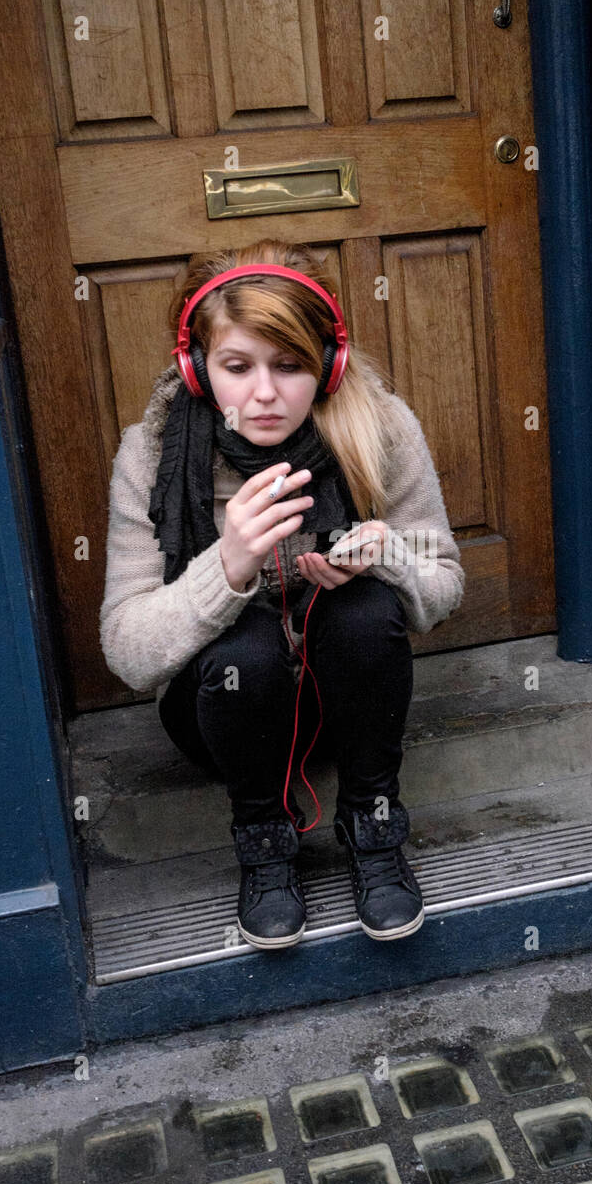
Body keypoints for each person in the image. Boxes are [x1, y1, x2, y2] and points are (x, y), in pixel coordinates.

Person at [99, 239, 465, 951]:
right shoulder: (151, 452)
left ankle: (373, 825)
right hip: (223, 717)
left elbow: (443, 586)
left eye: (290, 366)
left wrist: (387, 554)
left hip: (343, 706)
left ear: (328, 366)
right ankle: (265, 843)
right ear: (197, 369)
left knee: (365, 612)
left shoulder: (381, 426)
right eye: (238, 368)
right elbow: (127, 650)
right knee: (246, 646)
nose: (264, 394)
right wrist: (229, 565)